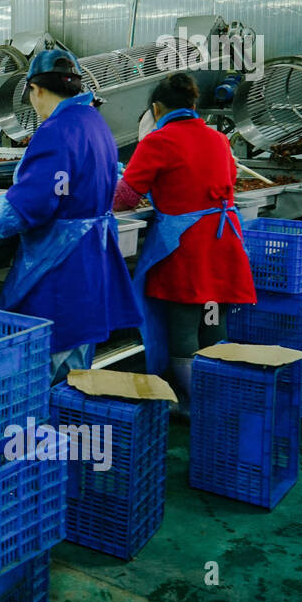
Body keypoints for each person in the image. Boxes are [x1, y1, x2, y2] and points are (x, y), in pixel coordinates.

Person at [0, 49, 141, 383]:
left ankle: (41, 432)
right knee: (77, 371)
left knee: (44, 366)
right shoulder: (94, 121)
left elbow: (32, 203)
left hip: (60, 267)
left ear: (34, 89)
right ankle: (69, 430)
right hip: (93, 258)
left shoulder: (57, 130)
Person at [113, 73, 257, 414]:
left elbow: (125, 198)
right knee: (212, 316)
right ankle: (219, 394)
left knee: (183, 326)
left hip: (187, 246)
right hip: (224, 239)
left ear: (156, 108)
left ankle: (195, 406)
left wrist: (104, 183)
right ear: (194, 106)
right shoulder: (219, 139)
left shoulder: (159, 141)